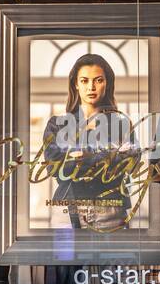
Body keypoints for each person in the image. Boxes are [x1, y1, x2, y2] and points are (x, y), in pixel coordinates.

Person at [41, 53, 137, 232]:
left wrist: (83, 158)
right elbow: (54, 167)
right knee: (64, 260)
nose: (91, 87)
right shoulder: (57, 124)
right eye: (84, 81)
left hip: (110, 210)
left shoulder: (122, 124)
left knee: (111, 260)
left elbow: (129, 165)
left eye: (98, 80)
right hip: (67, 209)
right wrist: (108, 157)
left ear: (107, 83)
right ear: (75, 84)